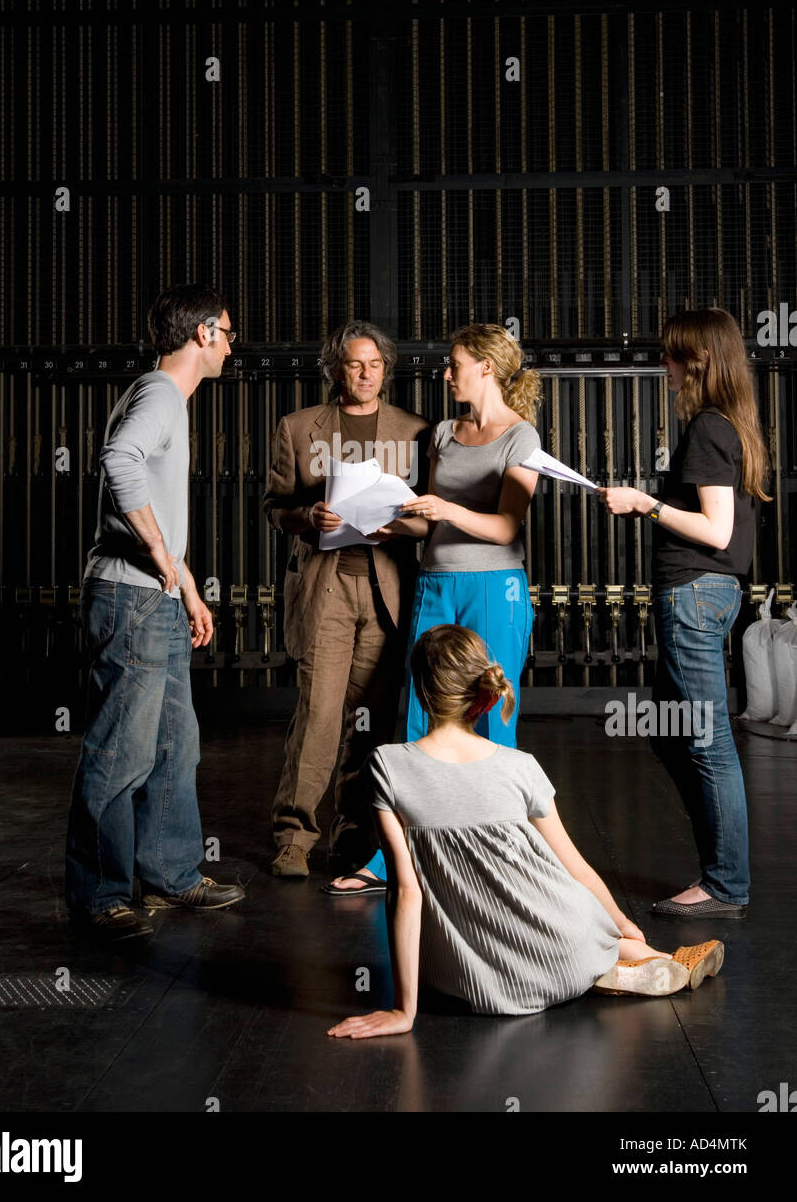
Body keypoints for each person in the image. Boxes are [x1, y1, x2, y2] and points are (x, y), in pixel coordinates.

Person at [327, 624, 724, 1037]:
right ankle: (644, 956)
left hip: (469, 982)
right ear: (483, 694)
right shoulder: (520, 766)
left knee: (520, 935)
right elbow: (576, 868)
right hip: (563, 948)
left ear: (421, 692)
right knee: (585, 927)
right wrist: (621, 921)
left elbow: (405, 891)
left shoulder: (388, 765)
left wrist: (402, 1011)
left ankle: (616, 962)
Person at [332, 323, 541, 891]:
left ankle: (499, 852)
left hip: (495, 587)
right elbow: (427, 522)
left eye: (454, 365)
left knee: (492, 718)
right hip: (436, 582)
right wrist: (381, 523)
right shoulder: (445, 433)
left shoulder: (522, 438)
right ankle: (392, 860)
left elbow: (505, 526)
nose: (446, 374)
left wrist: (445, 509)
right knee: (419, 721)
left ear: (486, 368)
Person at [65, 285, 245, 944]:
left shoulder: (164, 397)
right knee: (122, 751)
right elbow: (119, 461)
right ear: (203, 334)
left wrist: (187, 588)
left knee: (175, 743)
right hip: (131, 599)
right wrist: (161, 558)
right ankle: (99, 896)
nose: (231, 346)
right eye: (227, 333)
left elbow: (154, 516)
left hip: (156, 600)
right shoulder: (161, 394)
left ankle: (168, 873)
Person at [597, 308, 769, 919]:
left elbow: (716, 531)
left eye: (670, 354)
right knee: (671, 734)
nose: (663, 364)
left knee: (706, 739)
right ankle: (719, 871)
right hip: (701, 594)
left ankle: (725, 885)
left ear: (697, 360)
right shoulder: (729, 425)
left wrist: (643, 503)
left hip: (695, 594)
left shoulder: (709, 428)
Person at [264, 322, 430, 887]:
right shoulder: (298, 427)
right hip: (325, 589)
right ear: (336, 368)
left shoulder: (414, 430)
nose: (366, 374)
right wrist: (306, 516)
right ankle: (294, 837)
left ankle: (355, 836)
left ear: (386, 369)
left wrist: (398, 524)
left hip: (386, 593)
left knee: (371, 723)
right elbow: (274, 507)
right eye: (355, 364)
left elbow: (427, 514)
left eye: (375, 364)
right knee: (318, 716)